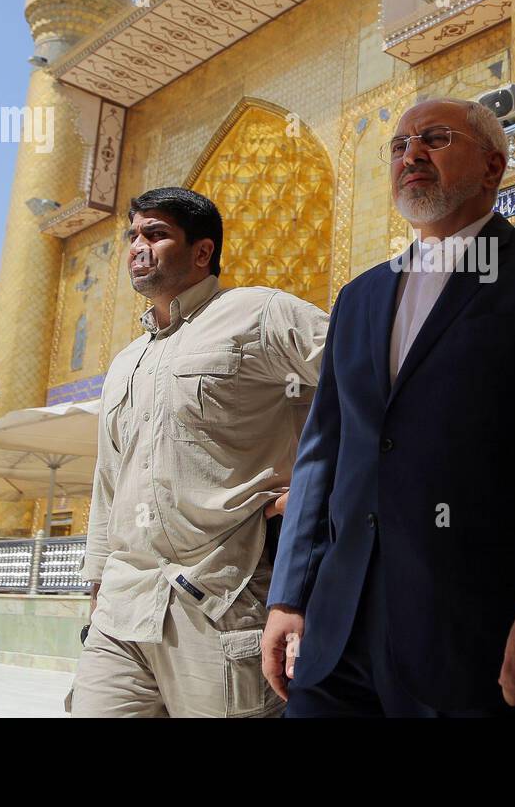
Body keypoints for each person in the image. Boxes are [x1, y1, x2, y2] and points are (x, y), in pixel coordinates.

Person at [262, 97, 515, 717]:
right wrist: (289, 596)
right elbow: (323, 454)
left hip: (476, 637)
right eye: (400, 144)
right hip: (337, 638)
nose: (412, 154)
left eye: (435, 139)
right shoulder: (360, 298)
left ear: (492, 167)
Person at [71, 187, 329, 718]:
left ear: (202, 251)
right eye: (133, 236)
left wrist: (314, 488)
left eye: (157, 233)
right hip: (123, 607)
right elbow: (108, 481)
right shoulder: (126, 362)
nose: (138, 247)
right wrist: (97, 586)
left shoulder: (259, 315)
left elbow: (370, 389)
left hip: (220, 599)